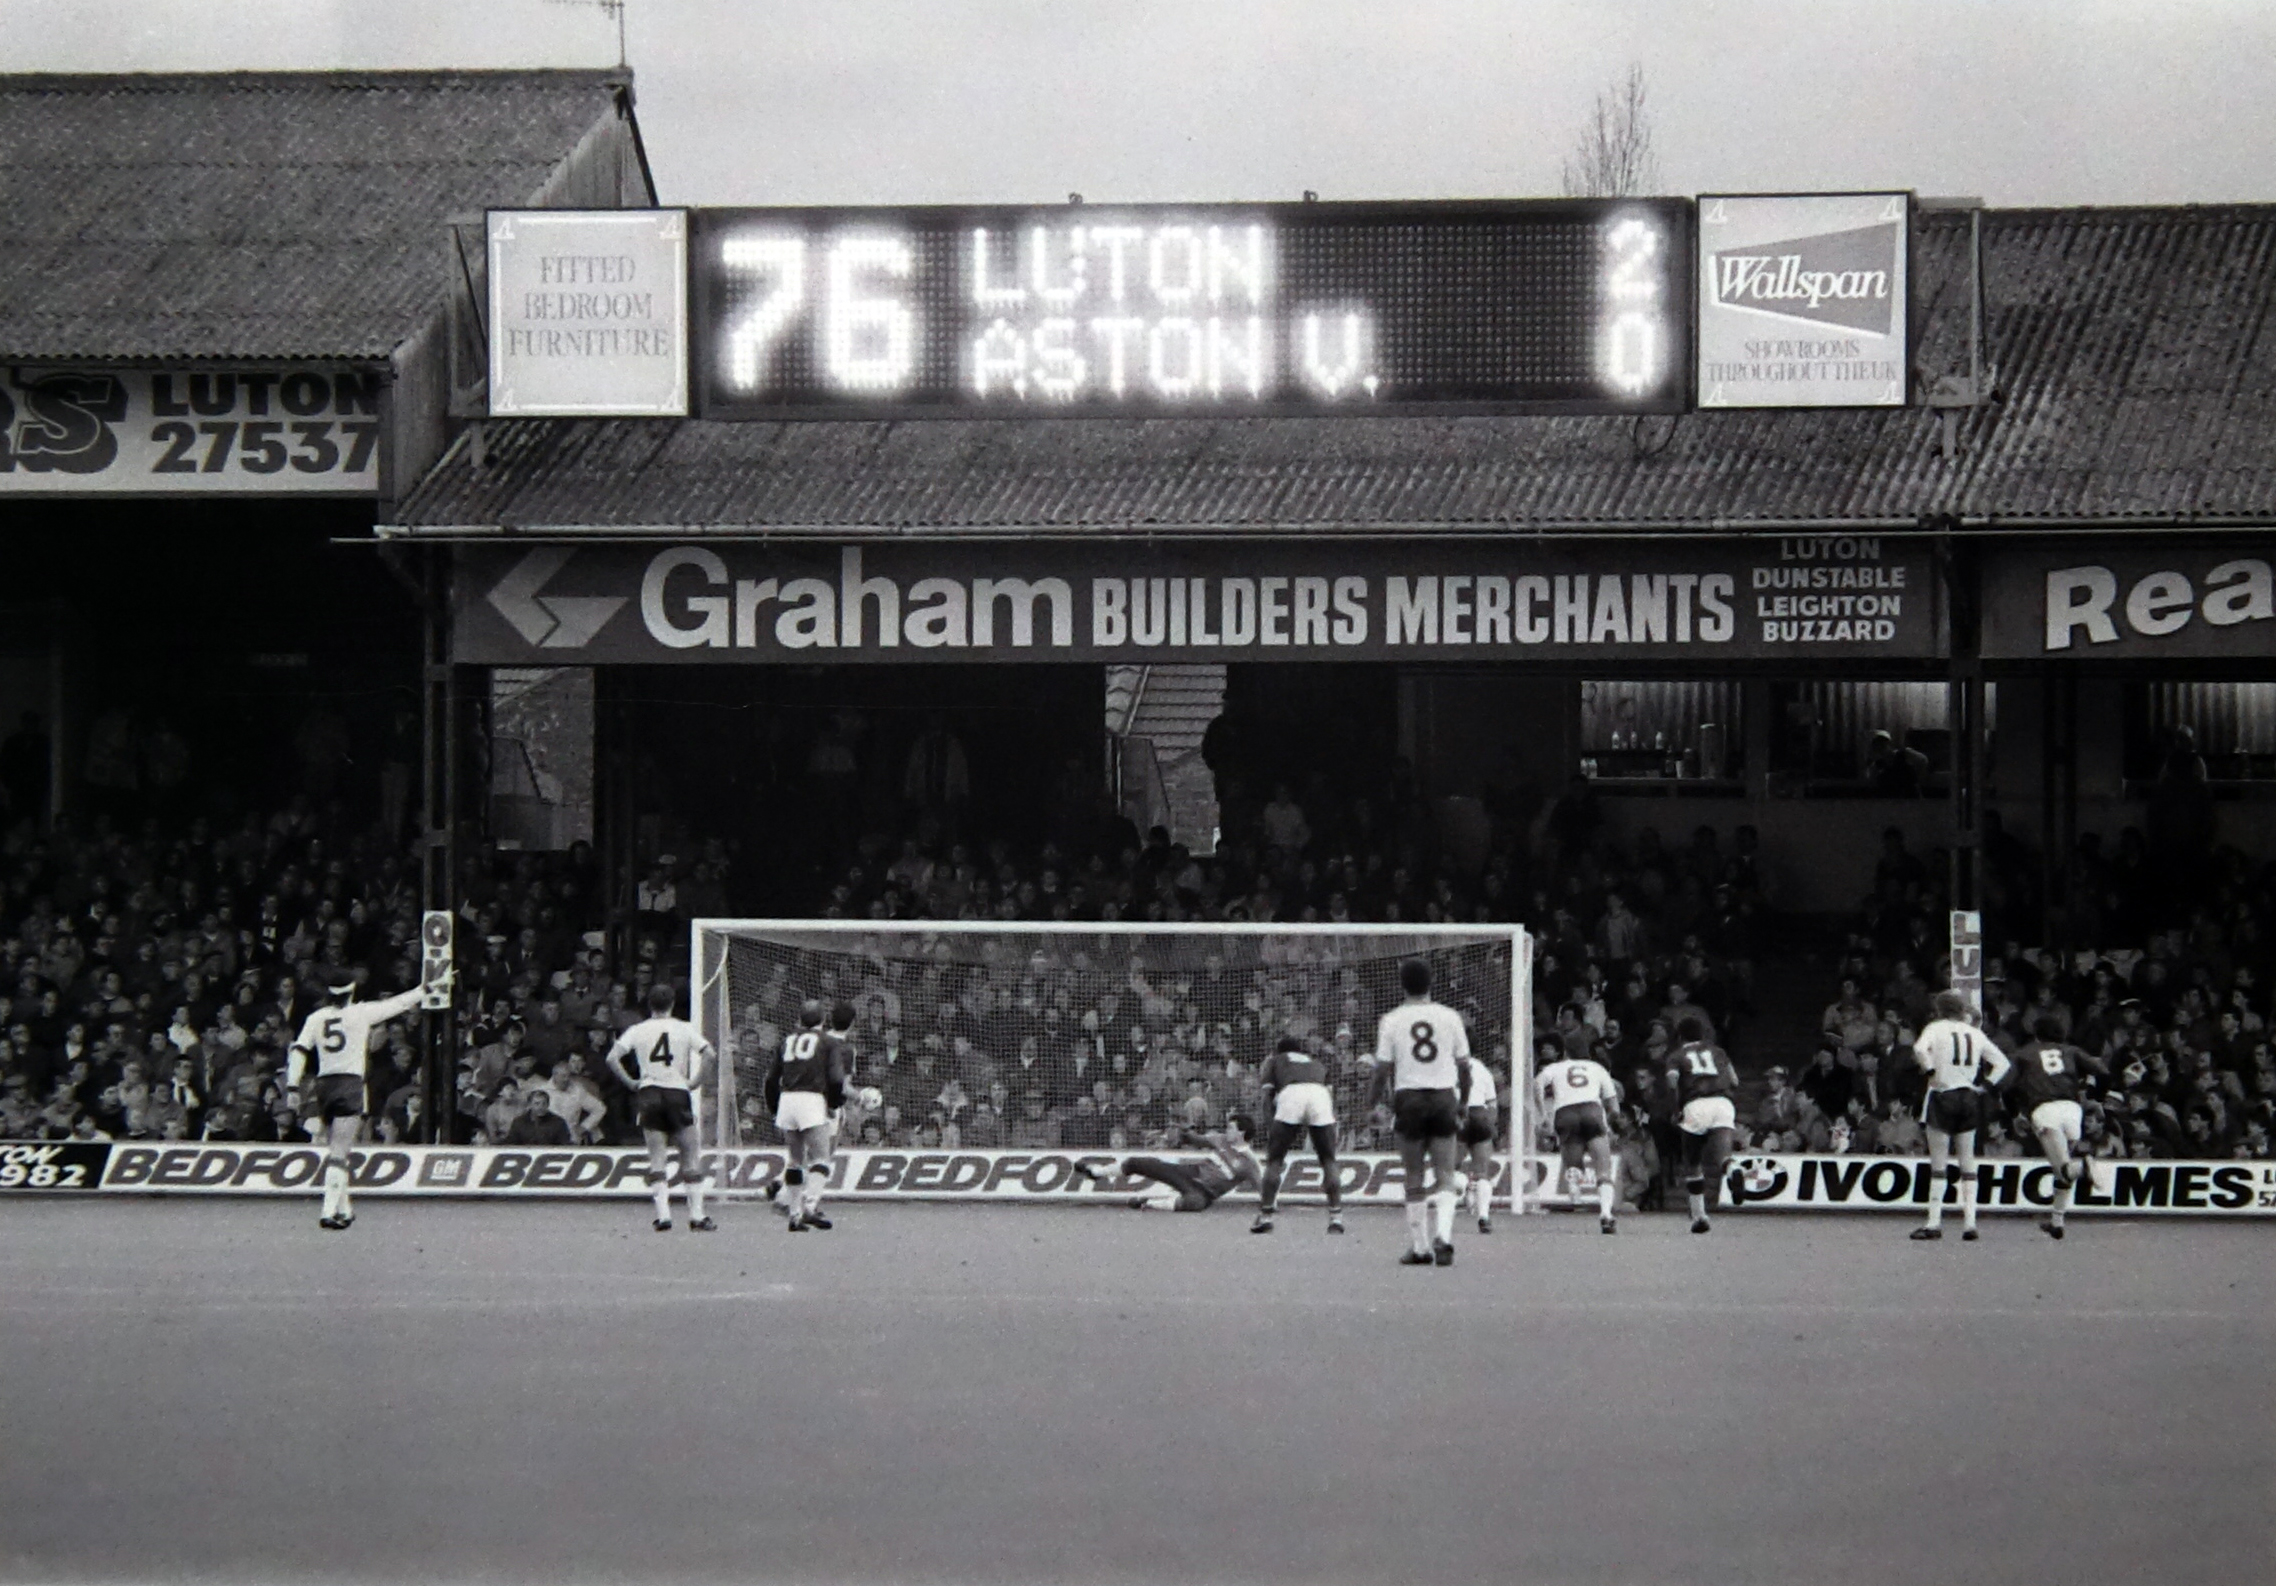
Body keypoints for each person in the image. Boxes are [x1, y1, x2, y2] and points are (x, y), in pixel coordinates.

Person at [285, 973, 430, 1231]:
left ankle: (345, 1208)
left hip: (324, 1083)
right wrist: (424, 989)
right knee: (340, 1150)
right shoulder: (361, 1013)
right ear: (351, 992)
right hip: (350, 1084)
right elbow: (397, 1004)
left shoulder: (316, 1018)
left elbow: (299, 1050)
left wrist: (293, 1085)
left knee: (335, 1147)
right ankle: (328, 1210)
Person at [1366, 957, 1470, 1267]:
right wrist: (1462, 1101)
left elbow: (1382, 1068)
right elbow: (1464, 1066)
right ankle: (1445, 1237)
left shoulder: (1392, 1019)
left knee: (1414, 1175)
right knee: (1446, 1174)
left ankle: (1421, 1247)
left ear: (1402, 984)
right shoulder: (1449, 1016)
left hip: (1409, 1098)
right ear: (1431, 982)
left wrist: (1371, 1105)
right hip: (1442, 1097)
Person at [603, 983, 717, 1233]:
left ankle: (663, 1216)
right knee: (690, 1155)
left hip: (649, 1092)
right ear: (673, 1003)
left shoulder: (637, 1029)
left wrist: (631, 1082)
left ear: (649, 1004)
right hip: (677, 1092)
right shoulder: (683, 1028)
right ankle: (697, 1216)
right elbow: (710, 1054)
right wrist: (696, 1081)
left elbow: (612, 1058)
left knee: (657, 1157)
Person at [1910, 990, 2013, 1243]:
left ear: (1940, 1009)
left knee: (1939, 1163)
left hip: (1943, 1095)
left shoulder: (1936, 1028)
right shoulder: (1975, 1033)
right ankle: (1970, 1223)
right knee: (1967, 1161)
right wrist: (1986, 1086)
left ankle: (1934, 1222)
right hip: (1968, 1097)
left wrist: (1931, 1070)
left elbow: (1920, 1049)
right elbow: (2002, 1063)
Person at [764, 999, 856, 1231]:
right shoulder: (827, 1042)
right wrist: (833, 1104)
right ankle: (810, 1206)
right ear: (823, 1020)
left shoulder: (787, 1040)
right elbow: (836, 1079)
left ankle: (794, 1214)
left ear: (799, 1019)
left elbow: (770, 1078)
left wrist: (775, 1107)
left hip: (787, 1099)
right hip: (812, 1099)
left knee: (796, 1160)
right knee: (821, 1158)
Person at [1250, 1034, 1344, 1235]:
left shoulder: (1275, 1060)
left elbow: (1267, 1097)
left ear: (1279, 1050)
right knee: (1328, 1159)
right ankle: (1336, 1218)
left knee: (1275, 1160)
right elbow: (1330, 1095)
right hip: (1320, 1095)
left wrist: (1271, 1128)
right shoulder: (1315, 1062)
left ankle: (1265, 1216)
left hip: (1291, 1093)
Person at [2011, 1014, 2092, 1240]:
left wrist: (2017, 1109)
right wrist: (2093, 1092)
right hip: (2072, 1109)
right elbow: (2101, 1069)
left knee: (2065, 1168)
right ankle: (2057, 1221)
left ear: (2037, 1035)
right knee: (2061, 1171)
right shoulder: (2071, 1051)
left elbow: (2008, 1081)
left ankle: (2084, 1167)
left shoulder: (2026, 1052)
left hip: (2046, 1110)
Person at [1073, 1116, 1262, 1212]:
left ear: (1241, 1134)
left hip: (1204, 1192)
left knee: (1195, 1204)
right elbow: (1196, 1140)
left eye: (1231, 1128)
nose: (1226, 1130)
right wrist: (1185, 1132)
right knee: (1138, 1163)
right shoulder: (1220, 1139)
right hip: (1187, 1174)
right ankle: (1096, 1172)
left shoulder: (1249, 1162)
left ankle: (1149, 1203)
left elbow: (1263, 1188)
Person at [1665, 1013, 1739, 1235]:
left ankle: (1699, 1216)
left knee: (1693, 1161)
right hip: (1723, 1102)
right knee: (1723, 1154)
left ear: (1680, 1037)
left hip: (1695, 1104)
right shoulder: (1718, 1051)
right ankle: (1733, 1169)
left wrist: (1675, 1108)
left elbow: (1671, 1081)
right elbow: (1735, 1080)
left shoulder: (1676, 1055)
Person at [1536, 1051, 1621, 1234]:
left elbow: (1538, 1084)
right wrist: (1607, 1123)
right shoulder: (1597, 1068)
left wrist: (1543, 1113)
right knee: (1603, 1169)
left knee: (1573, 1161)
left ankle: (1574, 1179)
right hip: (1592, 1109)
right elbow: (1614, 1107)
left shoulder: (1555, 1067)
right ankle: (1606, 1214)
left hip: (1564, 1113)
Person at [1456, 1047, 1501, 1234]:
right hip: (1480, 1115)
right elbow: (1492, 1104)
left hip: (1457, 1115)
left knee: (1451, 1168)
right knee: (1483, 1171)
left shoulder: (1445, 1065)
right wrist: (1491, 1127)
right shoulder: (1482, 1068)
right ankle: (1484, 1216)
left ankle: (1465, 1187)